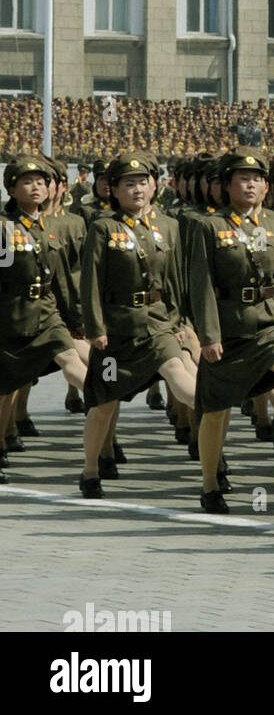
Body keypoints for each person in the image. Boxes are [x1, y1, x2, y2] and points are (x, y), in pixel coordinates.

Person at [79, 154, 198, 498]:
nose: (136, 189)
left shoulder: (169, 225)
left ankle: (212, 452)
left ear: (155, 185)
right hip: (116, 334)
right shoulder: (104, 227)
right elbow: (91, 283)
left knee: (183, 380)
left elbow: (176, 279)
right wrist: (95, 327)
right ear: (113, 190)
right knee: (104, 404)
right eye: (128, 184)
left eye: (142, 182)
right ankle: (90, 470)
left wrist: (179, 321)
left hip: (159, 324)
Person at [187, 147, 274, 512]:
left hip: (273, 322)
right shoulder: (208, 225)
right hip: (230, 328)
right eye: (242, 179)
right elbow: (201, 286)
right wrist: (209, 336)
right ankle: (210, 483)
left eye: (257, 180)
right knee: (215, 410)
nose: (251, 185)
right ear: (227, 185)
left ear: (267, 187)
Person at [0, 157, 90, 483]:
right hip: (12, 316)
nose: (36, 186)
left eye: (40, 181)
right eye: (26, 181)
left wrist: (75, 319)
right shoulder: (4, 227)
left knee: (70, 356)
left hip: (48, 310)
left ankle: (101, 398)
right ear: (12, 188)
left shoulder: (49, 227)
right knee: (6, 390)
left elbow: (64, 277)